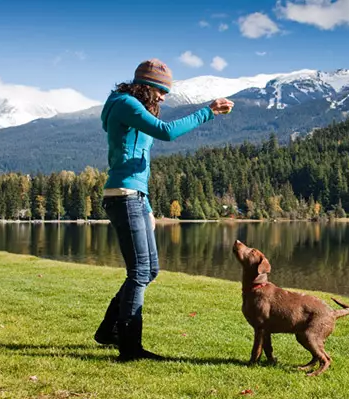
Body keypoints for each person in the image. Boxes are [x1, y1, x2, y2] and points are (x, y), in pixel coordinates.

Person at [94, 58, 233, 361]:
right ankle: (129, 347)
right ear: (146, 86)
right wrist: (208, 112)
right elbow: (167, 132)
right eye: (160, 91)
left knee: (150, 270)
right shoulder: (126, 104)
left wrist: (148, 207)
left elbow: (138, 160)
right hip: (123, 195)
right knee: (139, 272)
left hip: (135, 196)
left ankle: (109, 330)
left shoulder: (133, 107)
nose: (163, 97)